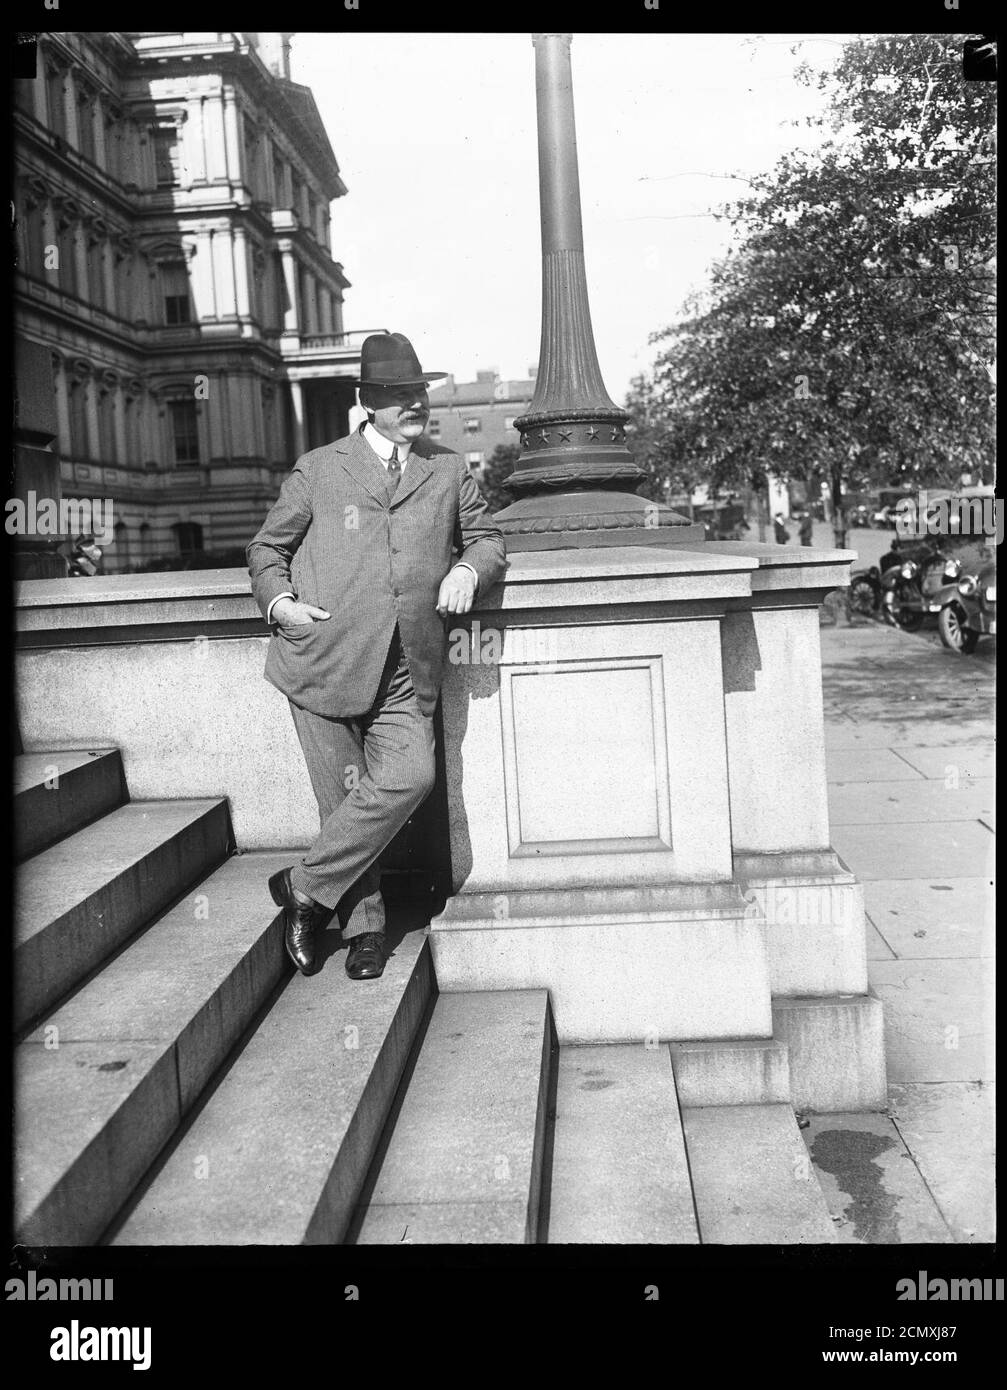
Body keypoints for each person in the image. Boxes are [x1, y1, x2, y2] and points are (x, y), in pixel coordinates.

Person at [246, 332, 507, 981]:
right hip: (323, 659)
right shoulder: (320, 466)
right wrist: (281, 606)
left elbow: (487, 538)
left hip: (404, 668)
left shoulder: (447, 470)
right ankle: (365, 934)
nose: (414, 404)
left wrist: (470, 570)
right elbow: (265, 551)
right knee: (344, 804)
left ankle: (305, 886)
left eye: (417, 392)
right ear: (368, 402)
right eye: (397, 395)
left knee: (408, 778)